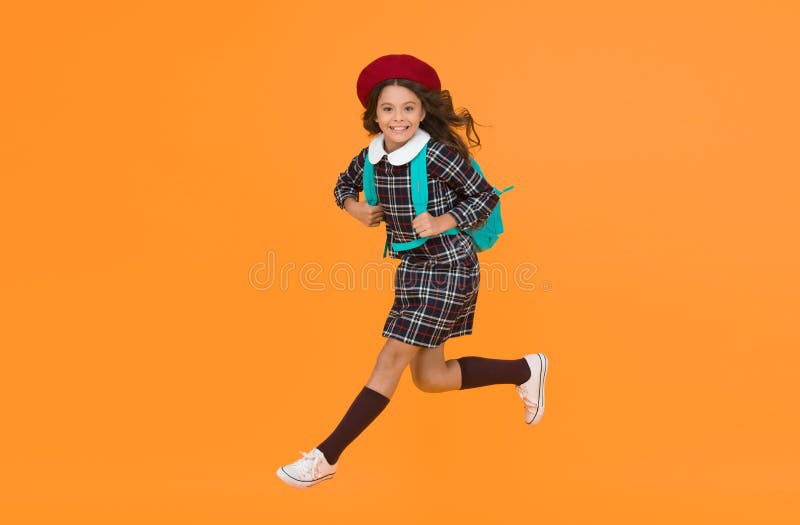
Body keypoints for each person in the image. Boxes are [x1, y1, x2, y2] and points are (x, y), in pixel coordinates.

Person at [276, 54, 548, 489]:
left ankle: (325, 457)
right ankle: (525, 370)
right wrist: (355, 208)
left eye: (408, 108)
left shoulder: (438, 155)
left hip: (450, 266)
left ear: (423, 112)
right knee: (430, 378)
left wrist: (443, 221)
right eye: (388, 109)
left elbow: (485, 196)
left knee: (389, 360)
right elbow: (342, 187)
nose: (398, 118)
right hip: (412, 268)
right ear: (374, 115)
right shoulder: (371, 158)